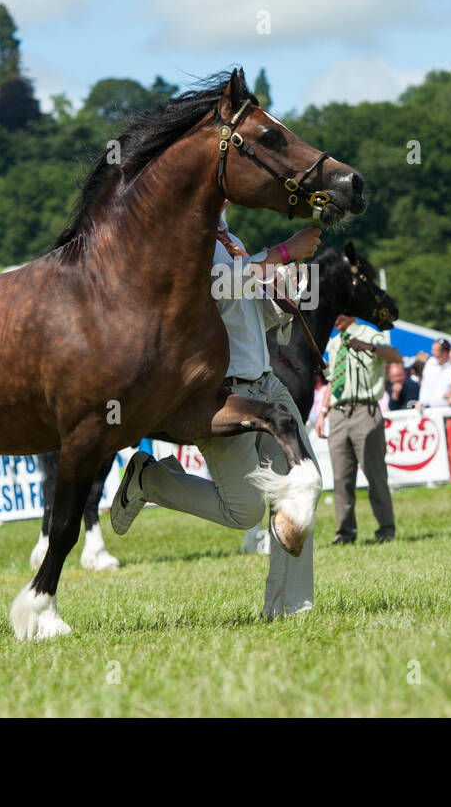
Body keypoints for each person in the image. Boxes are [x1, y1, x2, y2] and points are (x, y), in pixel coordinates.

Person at [110, 207, 323, 618]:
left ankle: (291, 605)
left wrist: (280, 299)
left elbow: (245, 312)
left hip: (267, 383)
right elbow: (220, 286)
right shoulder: (187, 240)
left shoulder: (231, 240)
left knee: (301, 487)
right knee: (244, 512)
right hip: (221, 396)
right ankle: (149, 480)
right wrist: (283, 251)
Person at [316, 313, 402, 544]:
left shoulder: (370, 334)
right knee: (341, 477)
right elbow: (333, 380)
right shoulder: (334, 343)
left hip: (366, 410)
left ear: (349, 313)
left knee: (375, 474)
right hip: (339, 413)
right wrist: (323, 413)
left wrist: (369, 347)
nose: (334, 318)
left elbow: (395, 357)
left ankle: (386, 529)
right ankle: (345, 533)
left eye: (338, 312)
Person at [417, 338, 451, 408]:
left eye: (435, 350)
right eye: (433, 350)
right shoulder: (430, 364)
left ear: (445, 352)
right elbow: (425, 385)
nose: (432, 352)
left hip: (450, 409)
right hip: (431, 410)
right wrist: (422, 402)